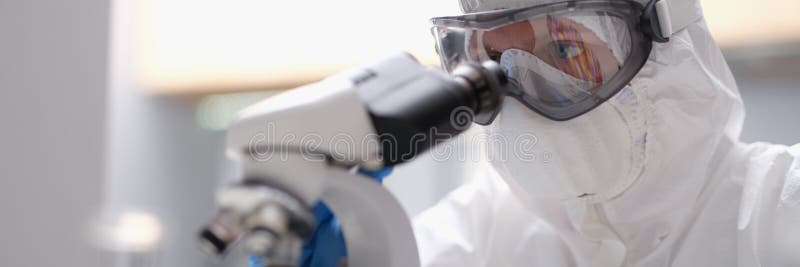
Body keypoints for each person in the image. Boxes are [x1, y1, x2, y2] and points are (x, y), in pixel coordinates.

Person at [303, 0, 800, 266]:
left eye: (566, 51)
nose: (523, 96)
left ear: (664, 44)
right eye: (494, 61)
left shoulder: (781, 210)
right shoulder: (481, 235)